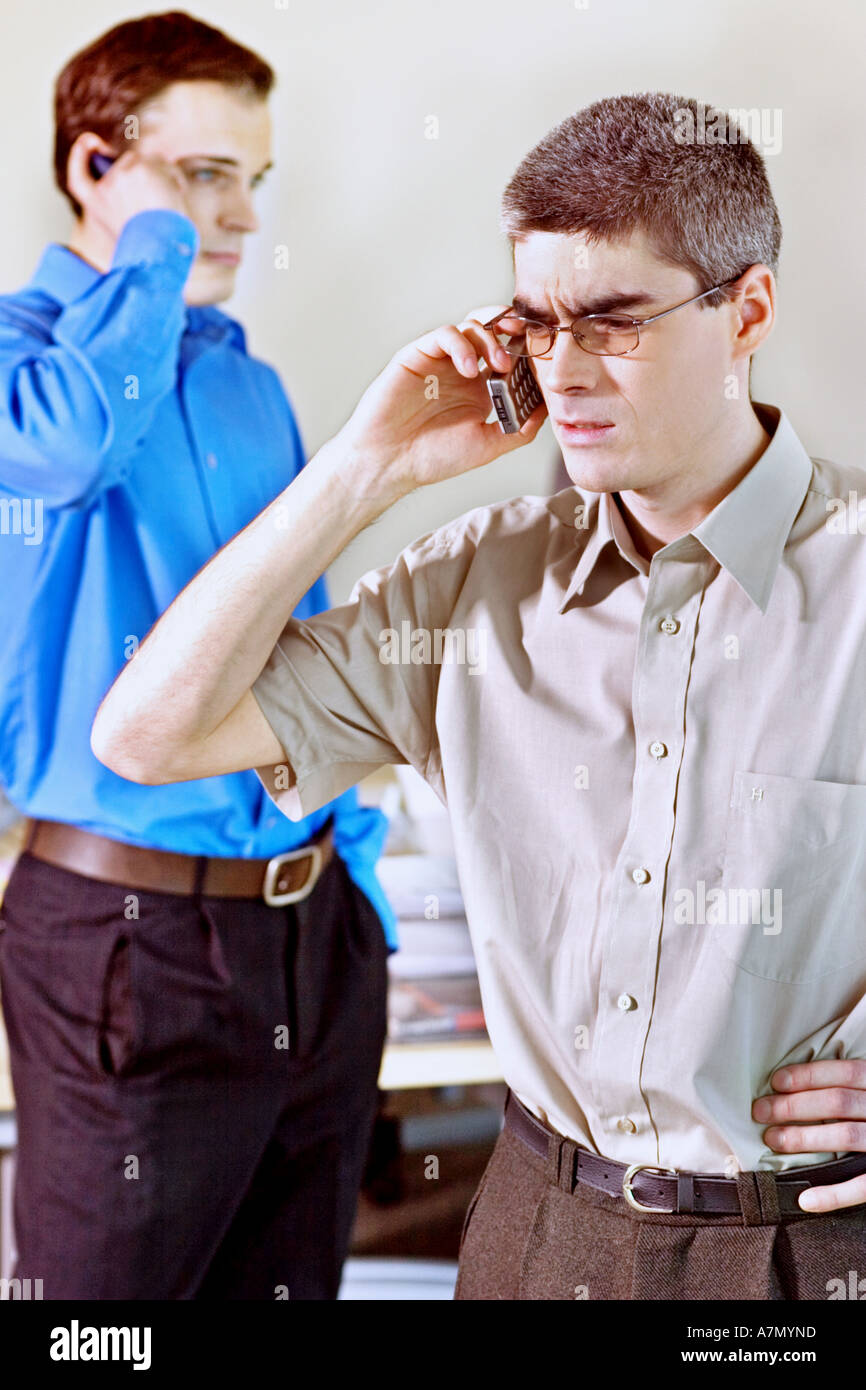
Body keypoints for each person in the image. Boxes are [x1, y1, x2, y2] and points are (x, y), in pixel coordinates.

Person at [91, 90, 866, 1300]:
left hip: (804, 1254)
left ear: (746, 307)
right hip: (532, 1234)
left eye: (611, 321)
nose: (561, 369)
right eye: (537, 324)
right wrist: (363, 471)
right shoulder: (472, 584)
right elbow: (146, 735)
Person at [0, 11, 395, 1301]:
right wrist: (152, 238)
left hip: (311, 934)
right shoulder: (23, 366)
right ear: (90, 166)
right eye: (203, 173)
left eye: (252, 181)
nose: (238, 216)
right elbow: (67, 450)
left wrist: (359, 887)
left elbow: (302, 649)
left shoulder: (248, 383)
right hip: (124, 941)